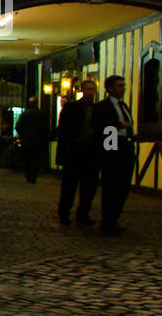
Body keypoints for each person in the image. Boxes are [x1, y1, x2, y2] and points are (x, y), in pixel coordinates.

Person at [89, 75, 136, 234]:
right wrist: (118, 125)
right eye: (119, 86)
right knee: (112, 185)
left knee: (123, 185)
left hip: (126, 145)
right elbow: (98, 126)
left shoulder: (123, 106)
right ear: (109, 88)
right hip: (113, 146)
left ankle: (114, 217)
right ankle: (108, 220)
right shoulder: (103, 106)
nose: (122, 89)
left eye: (123, 85)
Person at [56, 79, 99, 226]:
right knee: (70, 185)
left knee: (89, 186)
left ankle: (83, 213)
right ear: (82, 90)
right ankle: (64, 213)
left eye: (93, 89)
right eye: (88, 89)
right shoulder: (72, 107)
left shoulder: (97, 109)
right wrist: (67, 147)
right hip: (74, 151)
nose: (91, 92)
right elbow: (63, 129)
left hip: (91, 152)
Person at [14, 99, 48, 184]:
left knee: (27, 158)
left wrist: (23, 134)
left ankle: (28, 175)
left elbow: (18, 126)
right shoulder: (41, 114)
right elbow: (45, 128)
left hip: (27, 140)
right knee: (35, 158)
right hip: (38, 141)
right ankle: (33, 176)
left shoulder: (25, 114)